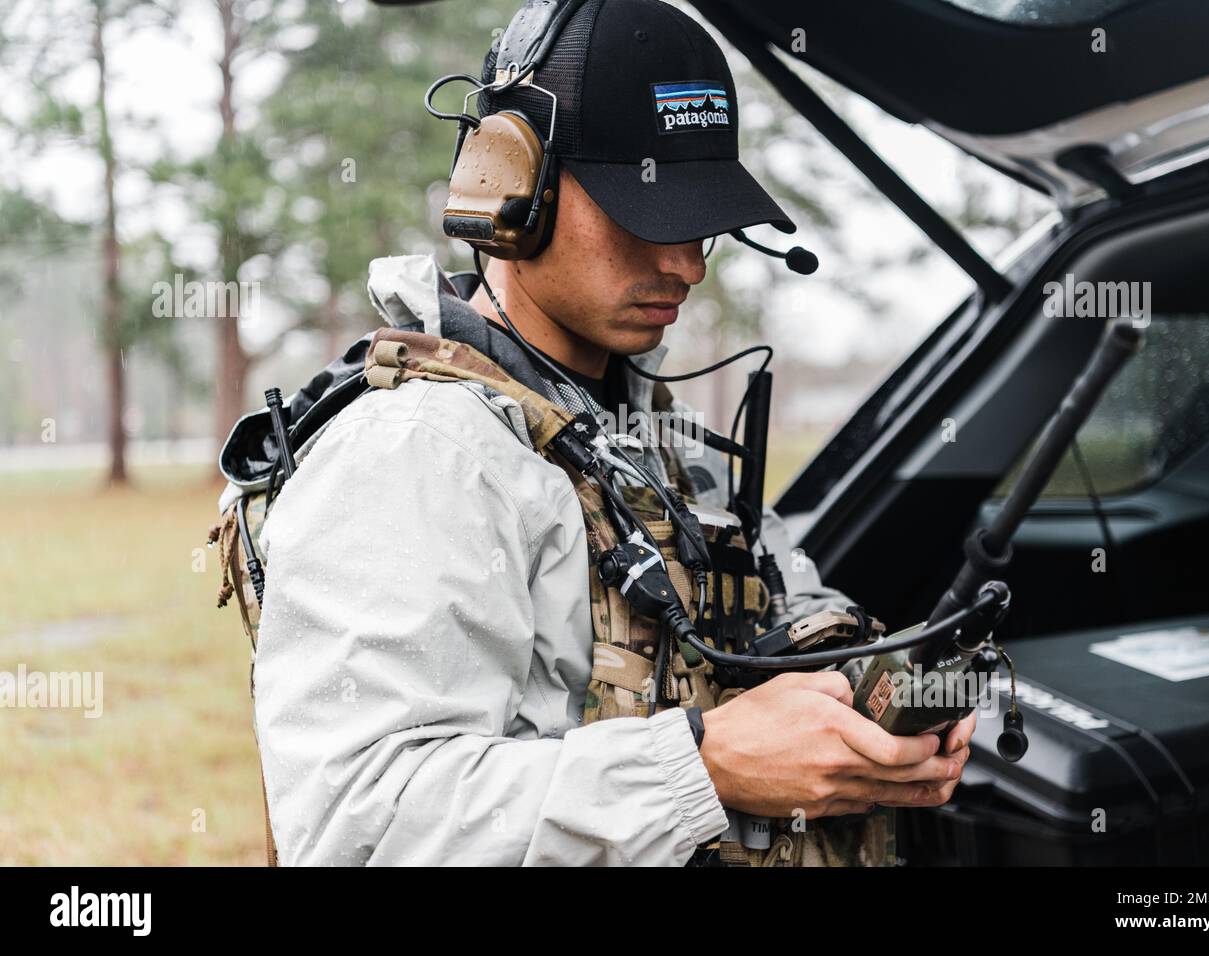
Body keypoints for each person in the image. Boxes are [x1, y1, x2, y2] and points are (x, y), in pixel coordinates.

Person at [250, 0, 975, 867]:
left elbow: (771, 598)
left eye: (702, 217)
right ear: (511, 187)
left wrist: (869, 697)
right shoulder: (415, 452)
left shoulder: (652, 430)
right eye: (649, 212)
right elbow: (357, 825)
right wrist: (704, 767)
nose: (689, 263)